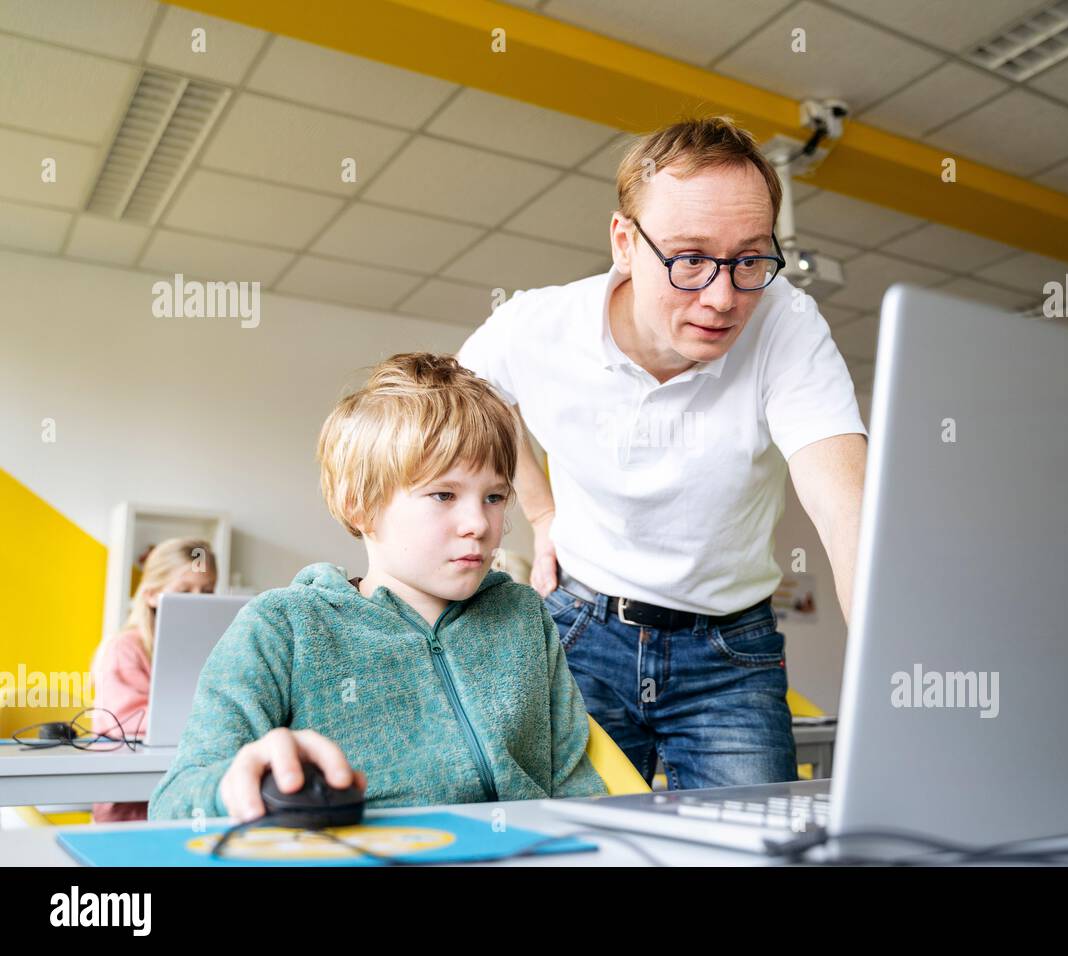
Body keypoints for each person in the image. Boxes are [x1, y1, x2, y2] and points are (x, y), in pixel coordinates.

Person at [458, 115, 868, 790]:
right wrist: (541, 512)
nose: (722, 297)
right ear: (625, 241)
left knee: (750, 849)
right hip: (581, 625)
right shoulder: (540, 325)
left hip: (730, 648)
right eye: (690, 259)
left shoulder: (786, 324)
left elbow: (844, 510)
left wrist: (894, 678)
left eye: (748, 260)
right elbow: (472, 406)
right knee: (566, 839)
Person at [148, 353, 605, 823]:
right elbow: (174, 802)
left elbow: (575, 784)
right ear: (360, 507)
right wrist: (233, 784)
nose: (479, 524)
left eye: (494, 497)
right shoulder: (283, 627)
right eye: (443, 495)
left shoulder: (523, 615)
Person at [89, 536, 217, 822]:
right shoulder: (126, 648)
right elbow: (127, 719)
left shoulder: (206, 649)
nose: (197, 602)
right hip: (130, 810)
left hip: (185, 792)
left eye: (207, 592)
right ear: (150, 595)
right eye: (184, 591)